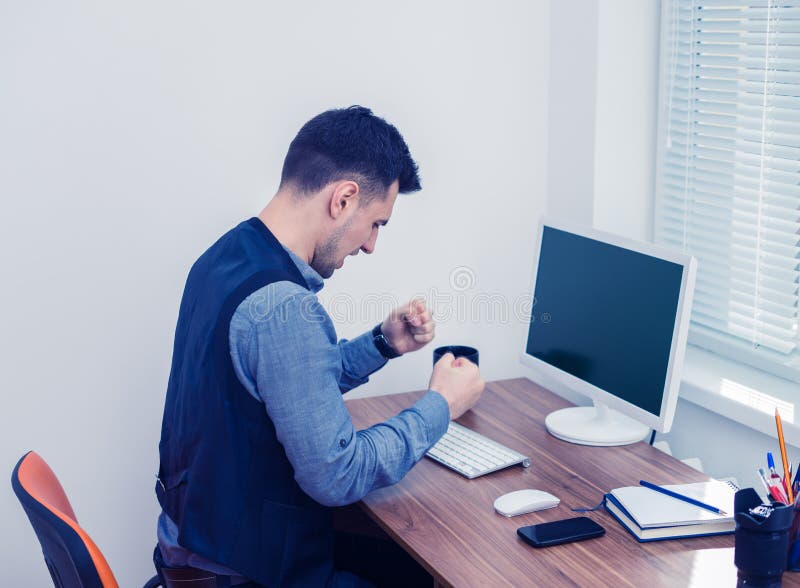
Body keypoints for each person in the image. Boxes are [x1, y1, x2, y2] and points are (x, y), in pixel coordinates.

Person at [154, 105, 485, 587]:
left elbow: (284, 382)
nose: (371, 245)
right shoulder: (284, 308)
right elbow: (339, 475)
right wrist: (441, 405)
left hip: (197, 545)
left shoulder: (224, 257)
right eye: (377, 223)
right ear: (344, 198)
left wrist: (382, 344)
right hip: (241, 573)